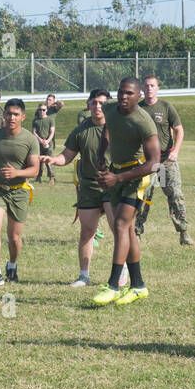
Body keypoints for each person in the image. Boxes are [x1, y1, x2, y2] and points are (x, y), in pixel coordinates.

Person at [91, 78, 160, 306]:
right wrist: (102, 155)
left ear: (138, 96)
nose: (123, 97)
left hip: (137, 177)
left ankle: (112, 285)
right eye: (121, 92)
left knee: (120, 224)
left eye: (129, 93)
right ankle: (138, 285)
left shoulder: (144, 122)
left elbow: (153, 163)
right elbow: (106, 132)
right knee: (128, 230)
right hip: (116, 173)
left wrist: (118, 178)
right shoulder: (110, 110)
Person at [41, 91, 121, 287]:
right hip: (89, 186)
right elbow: (67, 155)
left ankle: (123, 270)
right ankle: (84, 276)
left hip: (113, 185)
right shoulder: (81, 130)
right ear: (88, 104)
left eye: (102, 103)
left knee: (118, 228)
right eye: (94, 102)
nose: (97, 106)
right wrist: (54, 160)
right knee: (87, 232)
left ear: (108, 105)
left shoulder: (119, 127)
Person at [0, 98, 41, 286]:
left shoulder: (30, 139)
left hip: (19, 191)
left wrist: (17, 173)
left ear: (23, 117)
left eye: (15, 114)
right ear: (3, 114)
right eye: (8, 113)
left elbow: (35, 169)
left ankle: (12, 265)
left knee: (14, 237)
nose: (11, 117)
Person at [135, 76, 191, 245]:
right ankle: (136, 231)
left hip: (166, 161)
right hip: (147, 162)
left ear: (158, 88)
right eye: (146, 86)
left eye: (152, 86)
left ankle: (184, 232)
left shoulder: (166, 107)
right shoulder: (137, 109)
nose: (149, 88)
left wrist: (176, 151)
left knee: (174, 194)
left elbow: (179, 130)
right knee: (144, 196)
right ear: (142, 89)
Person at [32, 101, 58, 184]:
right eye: (40, 110)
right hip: (39, 143)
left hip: (48, 144)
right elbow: (34, 132)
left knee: (49, 160)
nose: (41, 111)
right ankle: (38, 177)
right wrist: (40, 140)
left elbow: (52, 132)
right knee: (39, 161)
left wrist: (47, 141)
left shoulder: (50, 119)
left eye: (43, 110)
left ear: (46, 110)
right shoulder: (36, 120)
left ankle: (52, 178)